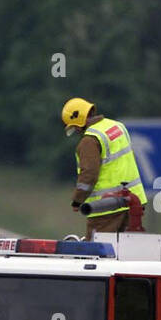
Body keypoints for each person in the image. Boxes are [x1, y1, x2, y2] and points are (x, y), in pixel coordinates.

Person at [61, 98, 148, 240]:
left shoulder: (89, 140)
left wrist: (77, 200)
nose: (76, 130)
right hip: (133, 203)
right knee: (127, 253)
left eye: (74, 126)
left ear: (79, 120)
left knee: (99, 254)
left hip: (105, 208)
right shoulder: (117, 126)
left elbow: (89, 175)